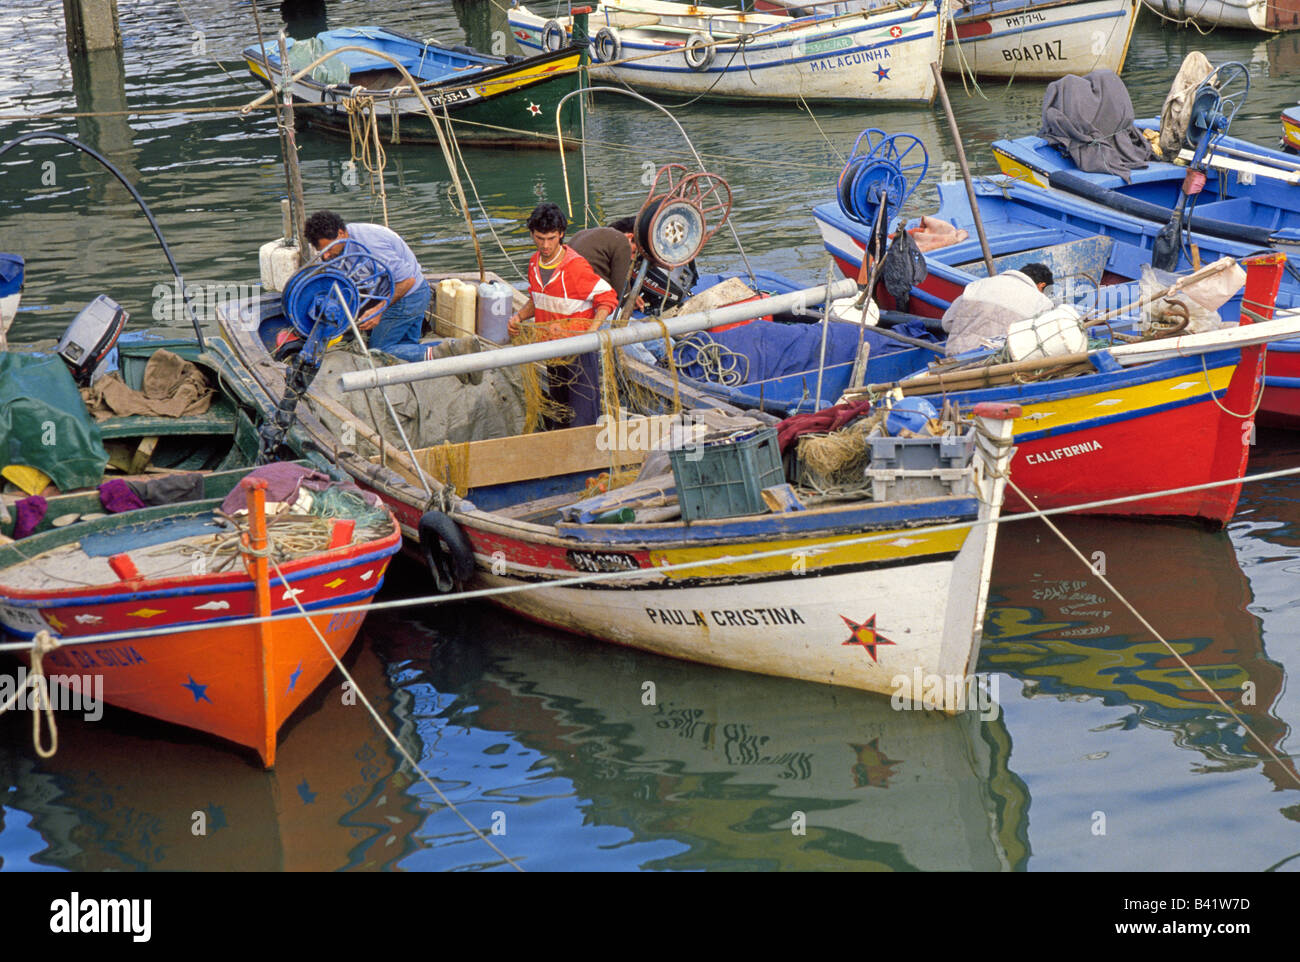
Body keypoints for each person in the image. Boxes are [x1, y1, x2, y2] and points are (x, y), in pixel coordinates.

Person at [508, 203, 619, 428]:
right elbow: (537, 299)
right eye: (540, 238)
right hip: (552, 350)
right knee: (560, 412)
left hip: (578, 352)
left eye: (551, 238)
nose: (545, 245)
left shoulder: (576, 267)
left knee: (583, 419)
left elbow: (608, 298)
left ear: (560, 235)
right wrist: (519, 316)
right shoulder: (533, 263)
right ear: (532, 234)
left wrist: (590, 333)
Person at [303, 210, 431, 363]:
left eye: (329, 249)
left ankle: (445, 352)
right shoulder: (338, 246)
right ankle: (446, 350)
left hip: (410, 295)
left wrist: (378, 311)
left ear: (341, 233)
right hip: (398, 291)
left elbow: (407, 281)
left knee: (379, 350)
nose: (325, 256)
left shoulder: (371, 243)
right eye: (321, 251)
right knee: (407, 347)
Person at [941, 262, 1054, 357]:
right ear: (1041, 286)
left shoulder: (977, 285)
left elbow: (946, 323)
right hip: (998, 365)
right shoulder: (1042, 302)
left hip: (956, 358)